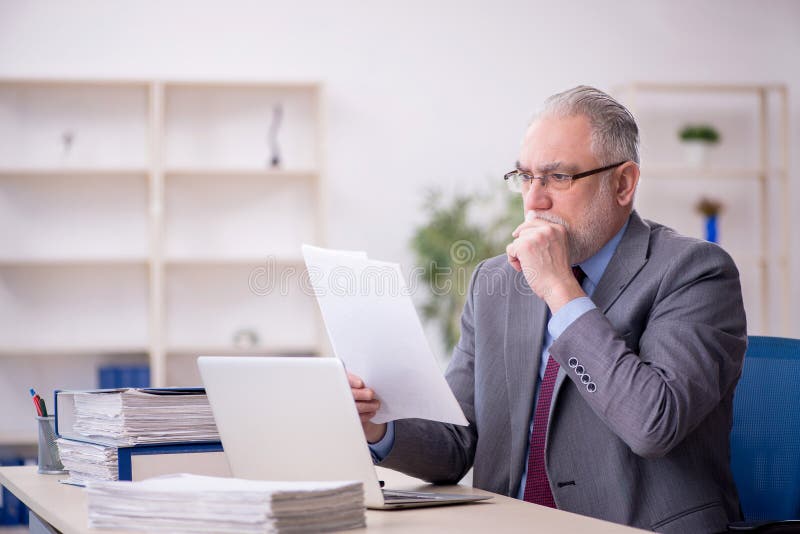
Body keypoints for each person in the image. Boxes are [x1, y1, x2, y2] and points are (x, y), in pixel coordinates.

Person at [349, 85, 747, 533]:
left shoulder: (695, 272)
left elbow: (652, 424)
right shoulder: (495, 282)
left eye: (558, 178)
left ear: (623, 183)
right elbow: (458, 442)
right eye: (525, 177)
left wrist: (560, 289)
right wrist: (377, 426)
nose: (534, 199)